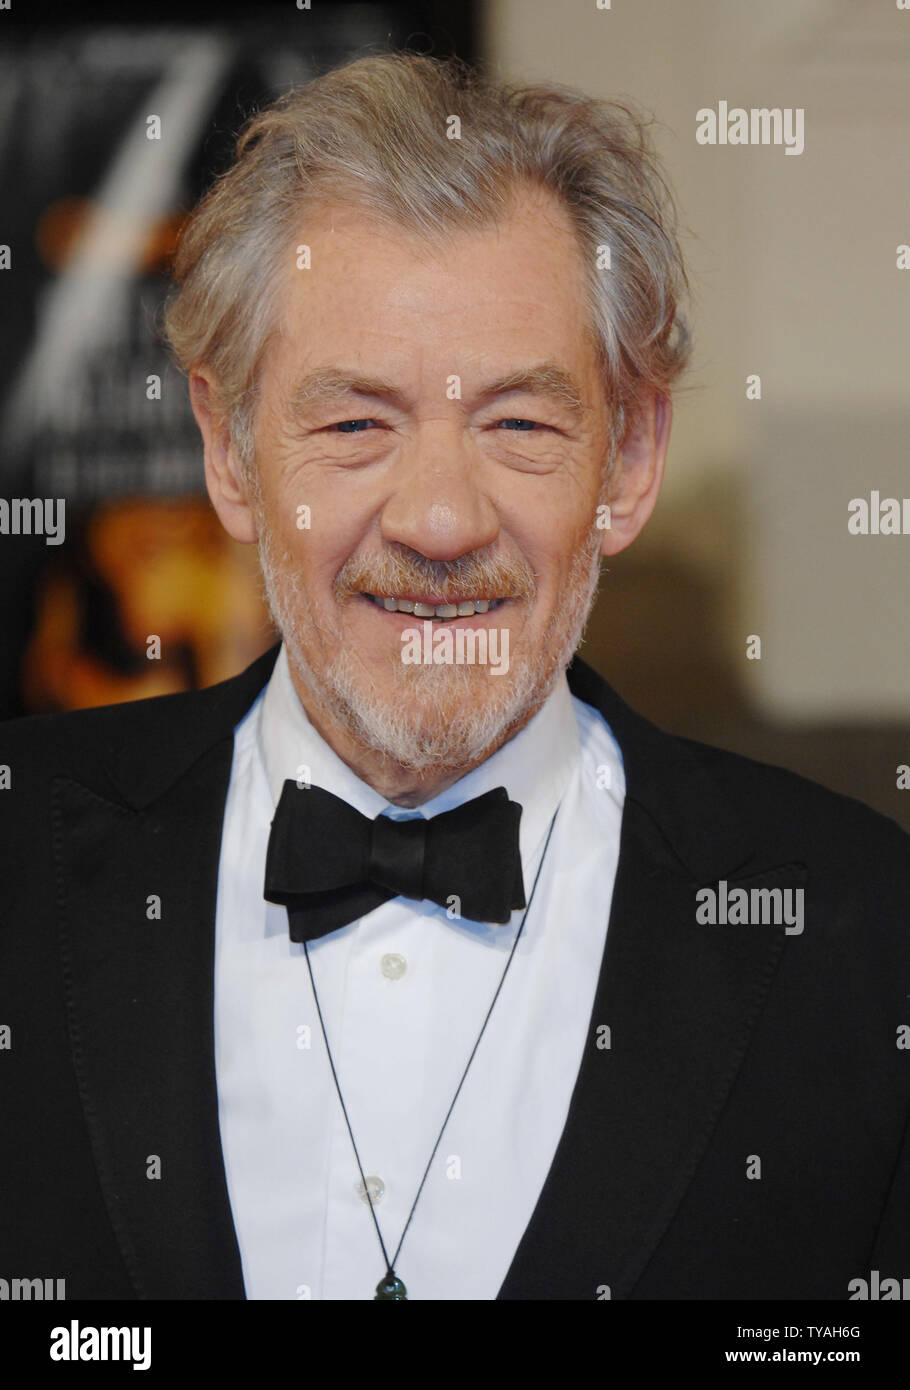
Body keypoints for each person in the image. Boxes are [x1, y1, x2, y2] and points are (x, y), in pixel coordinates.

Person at [1, 52, 908, 1303]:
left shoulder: (866, 939)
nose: (437, 519)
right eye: (355, 423)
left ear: (631, 458)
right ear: (228, 450)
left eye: (518, 423)